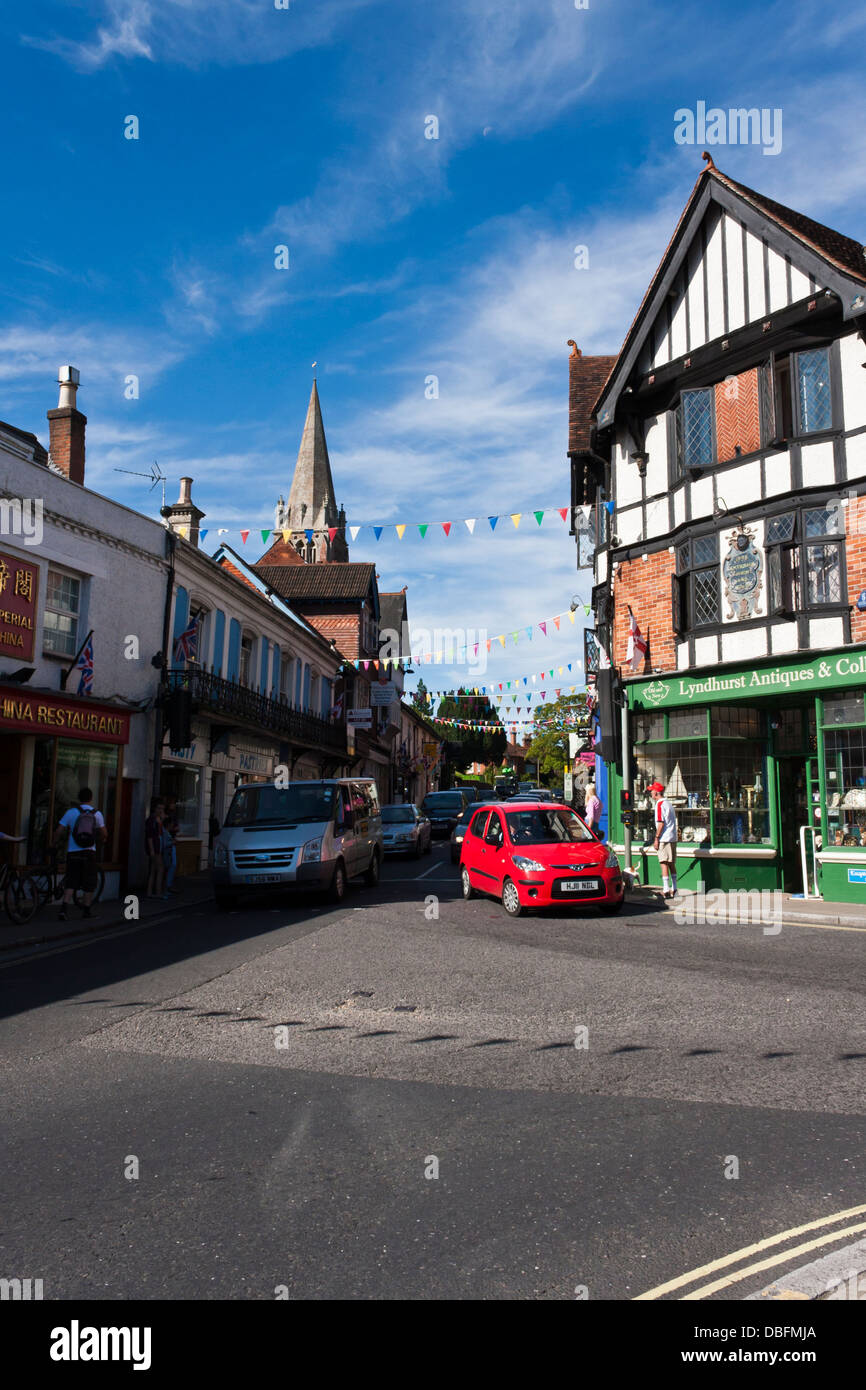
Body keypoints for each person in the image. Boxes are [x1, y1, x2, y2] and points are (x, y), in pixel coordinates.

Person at [53, 787, 107, 920]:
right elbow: (104, 833)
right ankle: (86, 911)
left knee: (71, 880)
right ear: (91, 798)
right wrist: (101, 840)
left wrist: (54, 844)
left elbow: (59, 831)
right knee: (89, 881)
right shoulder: (97, 814)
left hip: (73, 851)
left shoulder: (71, 812)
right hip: (89, 852)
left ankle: (63, 910)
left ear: (79, 798)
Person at [649, 780, 678, 898]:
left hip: (664, 838)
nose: (651, 794)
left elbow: (660, 823)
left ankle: (666, 889)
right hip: (672, 837)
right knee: (671, 863)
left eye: (652, 791)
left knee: (663, 863)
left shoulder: (660, 805)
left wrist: (656, 838)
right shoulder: (668, 803)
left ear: (656, 793)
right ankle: (674, 888)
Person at [145, 798, 165, 899]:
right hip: (155, 847)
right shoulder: (152, 820)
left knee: (153, 869)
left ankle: (150, 892)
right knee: (160, 868)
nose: (160, 810)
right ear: (154, 808)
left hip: (158, 846)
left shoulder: (158, 819)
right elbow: (150, 836)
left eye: (162, 808)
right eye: (158, 808)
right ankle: (158, 892)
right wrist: (152, 850)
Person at [162, 796, 180, 896]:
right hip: (169, 841)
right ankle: (167, 887)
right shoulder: (168, 815)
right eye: (173, 802)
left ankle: (168, 886)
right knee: (170, 865)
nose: (174, 805)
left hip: (171, 840)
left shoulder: (172, 814)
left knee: (170, 865)